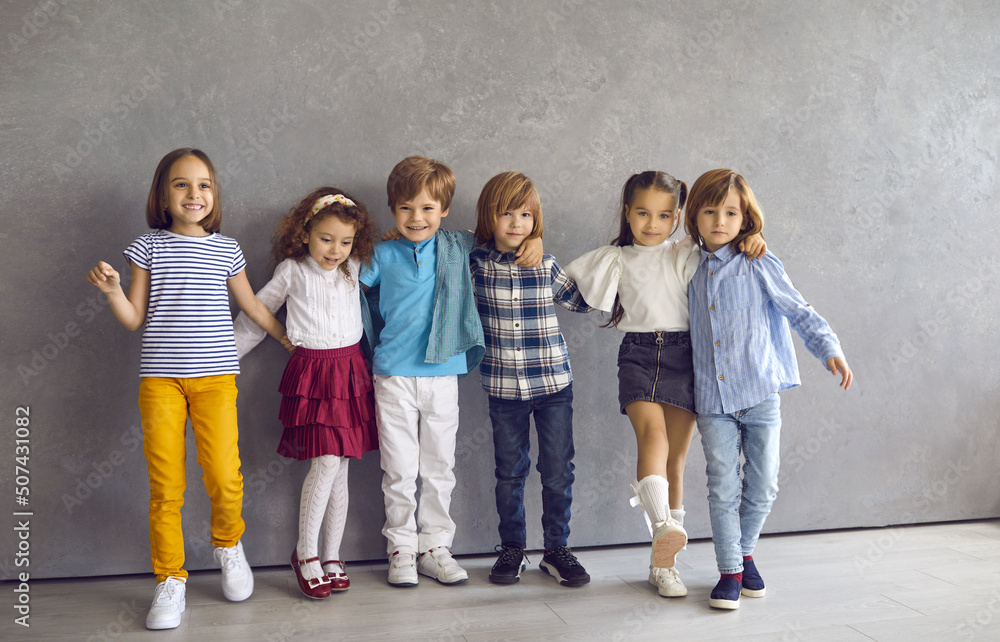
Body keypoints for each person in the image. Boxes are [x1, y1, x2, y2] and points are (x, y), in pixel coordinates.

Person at [85, 148, 288, 629]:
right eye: (181, 184)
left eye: (203, 185)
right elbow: (135, 319)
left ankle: (227, 544)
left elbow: (253, 309)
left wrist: (285, 340)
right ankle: (169, 579)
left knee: (223, 474)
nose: (193, 194)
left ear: (213, 195)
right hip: (161, 382)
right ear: (162, 193)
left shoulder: (226, 249)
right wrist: (114, 291)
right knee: (166, 485)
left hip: (217, 379)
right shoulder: (147, 247)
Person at [565, 171, 764, 598]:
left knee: (675, 462)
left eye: (662, 215)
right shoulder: (615, 259)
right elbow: (564, 288)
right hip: (637, 354)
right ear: (627, 213)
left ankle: (664, 567)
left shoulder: (686, 253)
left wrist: (753, 240)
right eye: (642, 213)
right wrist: (529, 251)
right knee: (651, 438)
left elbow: (726, 240)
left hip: (686, 358)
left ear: (677, 217)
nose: (651, 223)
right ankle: (663, 528)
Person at [360, 156, 543, 587]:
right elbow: (347, 285)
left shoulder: (460, 245)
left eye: (427, 208)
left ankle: (435, 547)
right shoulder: (381, 254)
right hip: (392, 376)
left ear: (444, 210)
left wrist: (534, 240)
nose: (417, 218)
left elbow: (505, 236)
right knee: (399, 469)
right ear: (393, 210)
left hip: (442, 375)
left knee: (439, 466)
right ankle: (401, 549)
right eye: (406, 208)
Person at [685, 168, 852, 610]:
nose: (720, 220)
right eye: (709, 211)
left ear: (745, 218)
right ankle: (730, 572)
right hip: (712, 400)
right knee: (722, 486)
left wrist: (828, 347)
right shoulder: (685, 266)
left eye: (731, 212)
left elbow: (798, 310)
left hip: (759, 393)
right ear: (695, 217)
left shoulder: (759, 261)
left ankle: (743, 554)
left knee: (763, 486)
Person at [233, 188, 379, 600]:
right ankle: (305, 553)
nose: (335, 250)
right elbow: (257, 315)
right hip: (313, 375)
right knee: (327, 461)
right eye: (326, 239)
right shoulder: (291, 271)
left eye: (345, 241)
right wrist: (222, 356)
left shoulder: (355, 267)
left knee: (343, 466)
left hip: (350, 371)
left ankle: (332, 554)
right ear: (305, 234)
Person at [471, 171, 594, 587]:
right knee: (510, 472)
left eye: (525, 215)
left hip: (553, 384)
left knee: (557, 470)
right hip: (503, 387)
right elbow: (452, 248)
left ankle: (557, 550)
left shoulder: (545, 263)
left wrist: (548, 249)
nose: (516, 223)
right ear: (488, 219)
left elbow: (580, 302)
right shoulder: (476, 265)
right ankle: (513, 549)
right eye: (505, 213)